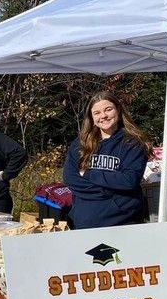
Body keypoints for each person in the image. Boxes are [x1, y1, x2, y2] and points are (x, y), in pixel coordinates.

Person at [63, 91, 151, 230]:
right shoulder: (80, 144)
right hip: (85, 222)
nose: (103, 116)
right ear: (91, 118)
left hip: (123, 221)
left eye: (108, 109)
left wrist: (88, 174)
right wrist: (111, 191)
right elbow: (70, 178)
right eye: (97, 113)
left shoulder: (133, 143)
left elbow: (129, 180)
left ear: (118, 109)